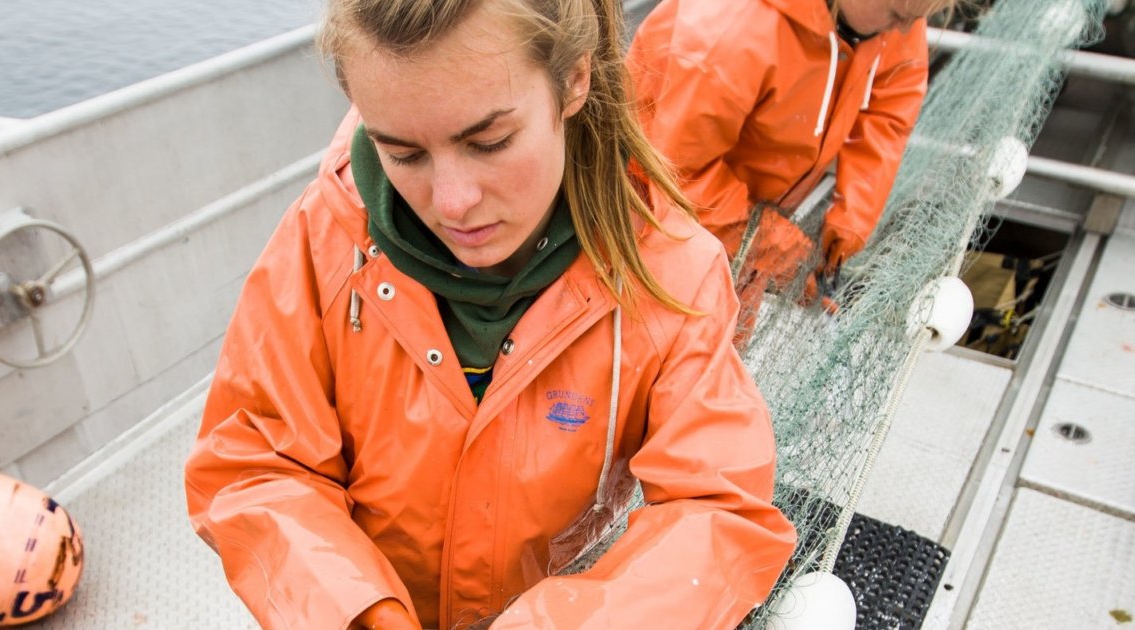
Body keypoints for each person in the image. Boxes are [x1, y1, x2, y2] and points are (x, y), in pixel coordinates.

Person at [184, 0, 796, 628]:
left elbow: (719, 510)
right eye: (403, 154)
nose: (452, 203)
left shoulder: (673, 276)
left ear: (574, 80)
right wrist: (362, 615)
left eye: (489, 142)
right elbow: (254, 462)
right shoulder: (320, 242)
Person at [627, 0, 956, 342]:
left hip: (740, 239)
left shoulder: (893, 14)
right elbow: (673, 175)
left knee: (720, 353)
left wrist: (849, 226)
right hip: (641, 236)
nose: (904, 29)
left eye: (917, 19)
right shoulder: (732, 29)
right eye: (897, 16)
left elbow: (895, 92)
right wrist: (782, 253)